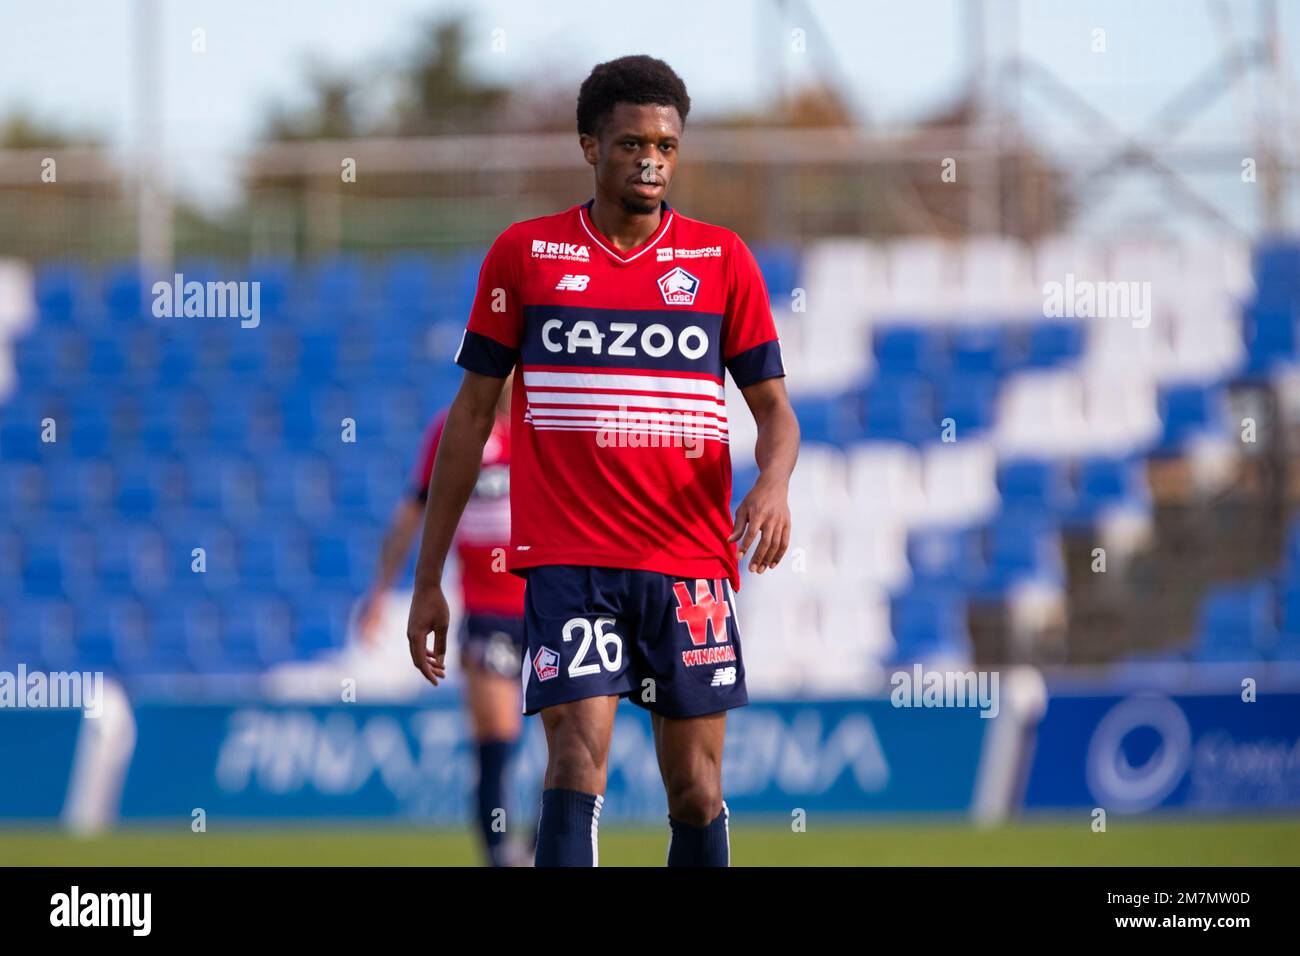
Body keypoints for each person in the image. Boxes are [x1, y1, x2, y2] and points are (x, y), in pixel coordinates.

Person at [404, 55, 799, 867]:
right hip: (570, 564)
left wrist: (775, 482)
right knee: (575, 765)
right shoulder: (525, 255)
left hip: (690, 565)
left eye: (666, 144)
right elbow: (470, 417)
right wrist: (425, 578)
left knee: (695, 788)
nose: (651, 159)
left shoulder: (723, 262)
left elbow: (775, 412)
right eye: (631, 143)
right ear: (590, 146)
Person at [357, 375, 530, 867]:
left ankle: (542, 846)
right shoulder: (454, 431)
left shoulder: (544, 423)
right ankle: (501, 856)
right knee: (497, 736)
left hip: (549, 606)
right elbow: (414, 511)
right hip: (487, 610)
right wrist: (379, 593)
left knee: (570, 739)